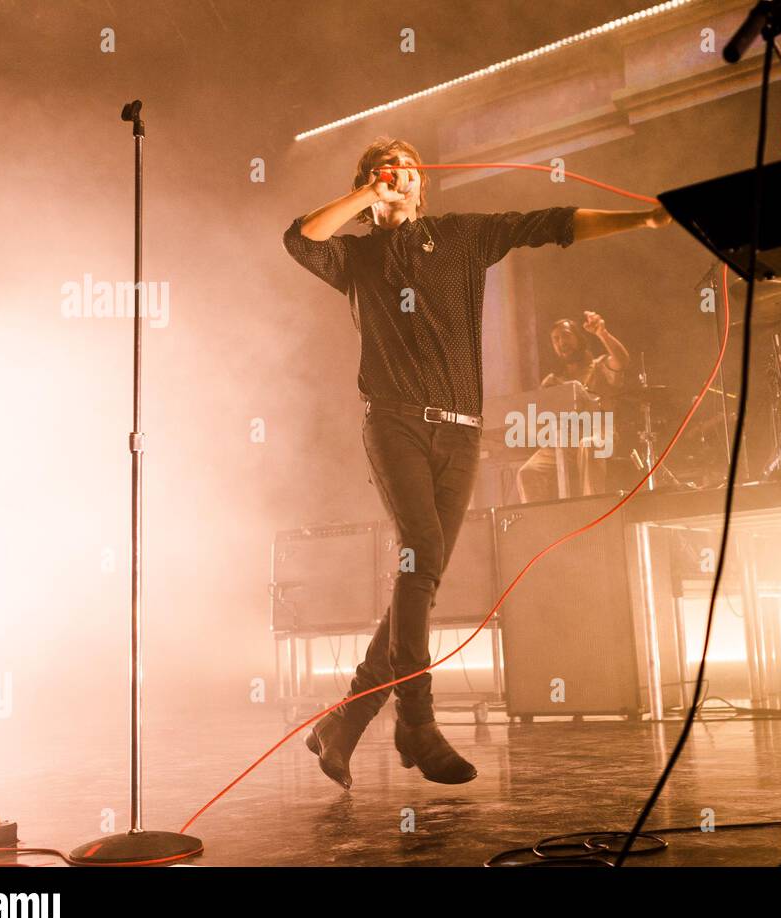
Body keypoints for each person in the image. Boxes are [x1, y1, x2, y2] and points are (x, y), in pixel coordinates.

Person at [283, 137, 671, 788]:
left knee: (422, 574)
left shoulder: (461, 238)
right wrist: (366, 197)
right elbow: (299, 237)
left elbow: (551, 224)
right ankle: (417, 720)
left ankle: (343, 723)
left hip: (463, 433)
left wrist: (645, 217)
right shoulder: (354, 255)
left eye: (407, 170)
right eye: (384, 173)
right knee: (421, 557)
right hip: (396, 424)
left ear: (423, 184)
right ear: (369, 187)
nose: (397, 178)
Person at [516, 312, 628, 502]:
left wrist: (602, 332)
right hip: (565, 440)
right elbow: (537, 420)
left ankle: (591, 511)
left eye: (566, 335)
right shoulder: (552, 381)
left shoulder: (599, 366)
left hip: (601, 432)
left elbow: (622, 361)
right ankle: (539, 526)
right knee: (528, 472)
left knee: (588, 444)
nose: (561, 342)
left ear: (580, 338)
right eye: (556, 339)